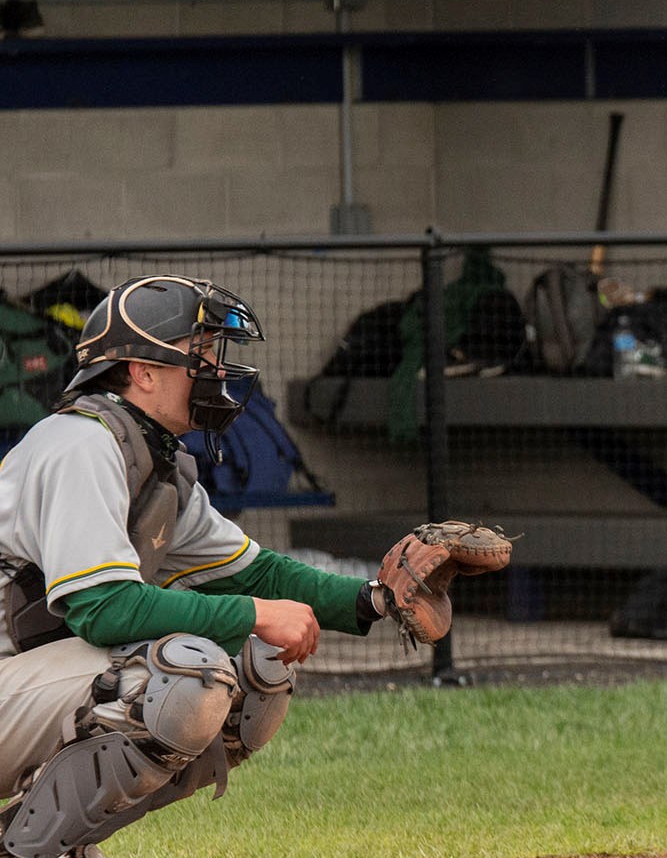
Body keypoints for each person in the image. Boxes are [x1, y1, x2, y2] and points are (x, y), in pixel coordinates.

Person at [0, 275, 492, 858]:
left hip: (20, 688)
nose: (215, 368)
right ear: (143, 372)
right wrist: (255, 614)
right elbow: (104, 609)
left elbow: (257, 574)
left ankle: (43, 841)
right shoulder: (80, 444)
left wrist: (377, 598)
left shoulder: (154, 461)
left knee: (257, 679)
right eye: (200, 352)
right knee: (184, 673)